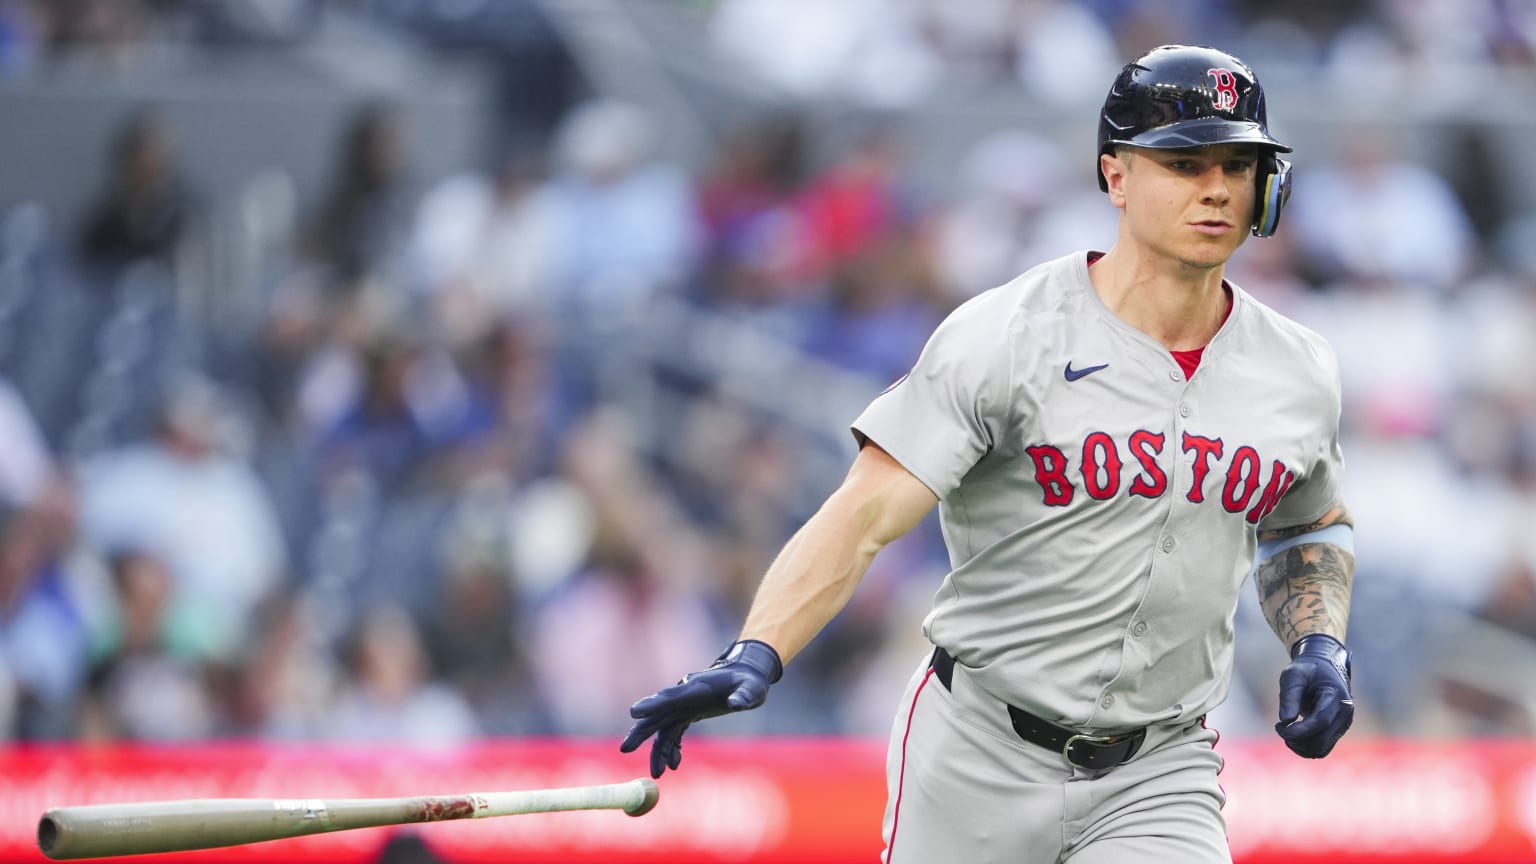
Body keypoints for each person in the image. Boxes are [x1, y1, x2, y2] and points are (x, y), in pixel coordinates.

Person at [621, 44, 1357, 863]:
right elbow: (864, 514)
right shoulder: (1006, 335)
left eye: (1238, 165)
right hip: (979, 752)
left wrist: (1319, 645)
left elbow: (1309, 522)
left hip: (1160, 766)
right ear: (1115, 176)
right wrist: (759, 648)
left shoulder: (1297, 367)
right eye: (1184, 163)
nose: (1216, 188)